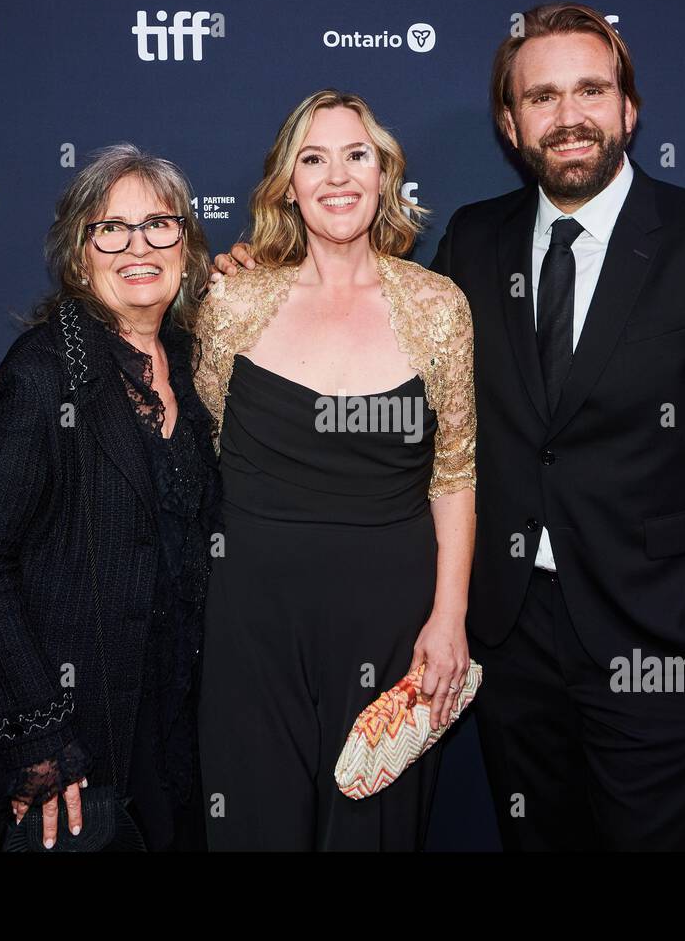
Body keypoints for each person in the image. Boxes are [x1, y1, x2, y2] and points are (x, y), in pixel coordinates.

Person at [216, 3, 685, 851]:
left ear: (628, 109)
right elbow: (383, 338)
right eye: (542, 97)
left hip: (666, 644)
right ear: (511, 121)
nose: (568, 116)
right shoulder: (475, 242)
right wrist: (255, 271)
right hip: (511, 643)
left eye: (590, 91)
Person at [194, 89, 476, 850]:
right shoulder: (233, 302)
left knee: (370, 833)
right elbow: (211, 438)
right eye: (313, 159)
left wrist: (449, 621)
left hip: (390, 625)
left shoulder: (438, 305)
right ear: (288, 183)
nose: (337, 176)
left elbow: (454, 474)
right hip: (252, 623)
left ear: (384, 175)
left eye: (357, 155)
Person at [0, 143, 220, 851]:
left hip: (172, 722)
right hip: (76, 735)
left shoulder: (194, 363)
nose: (138, 246)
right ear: (80, 251)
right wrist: (42, 737)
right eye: (111, 229)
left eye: (160, 225)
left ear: (185, 245)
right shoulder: (42, 370)